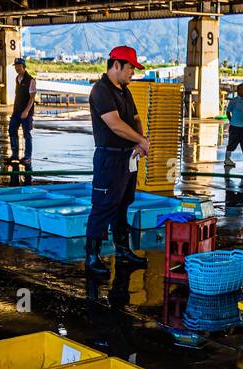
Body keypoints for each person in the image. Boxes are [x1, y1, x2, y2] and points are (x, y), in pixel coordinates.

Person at [84, 46, 149, 274]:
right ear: (117, 65)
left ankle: (122, 249)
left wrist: (140, 141)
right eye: (131, 67)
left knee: (123, 204)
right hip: (108, 157)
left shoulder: (124, 90)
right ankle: (92, 254)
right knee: (103, 206)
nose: (133, 72)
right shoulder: (101, 91)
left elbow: (135, 118)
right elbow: (115, 124)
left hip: (127, 157)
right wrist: (141, 140)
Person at [10, 56, 36, 166]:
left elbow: (32, 98)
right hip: (16, 110)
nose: (17, 68)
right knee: (11, 130)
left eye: (19, 66)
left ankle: (28, 157)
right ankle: (15, 155)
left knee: (27, 134)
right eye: (16, 66)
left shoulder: (31, 80)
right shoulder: (17, 78)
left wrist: (26, 111)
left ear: (24, 67)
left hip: (26, 112)